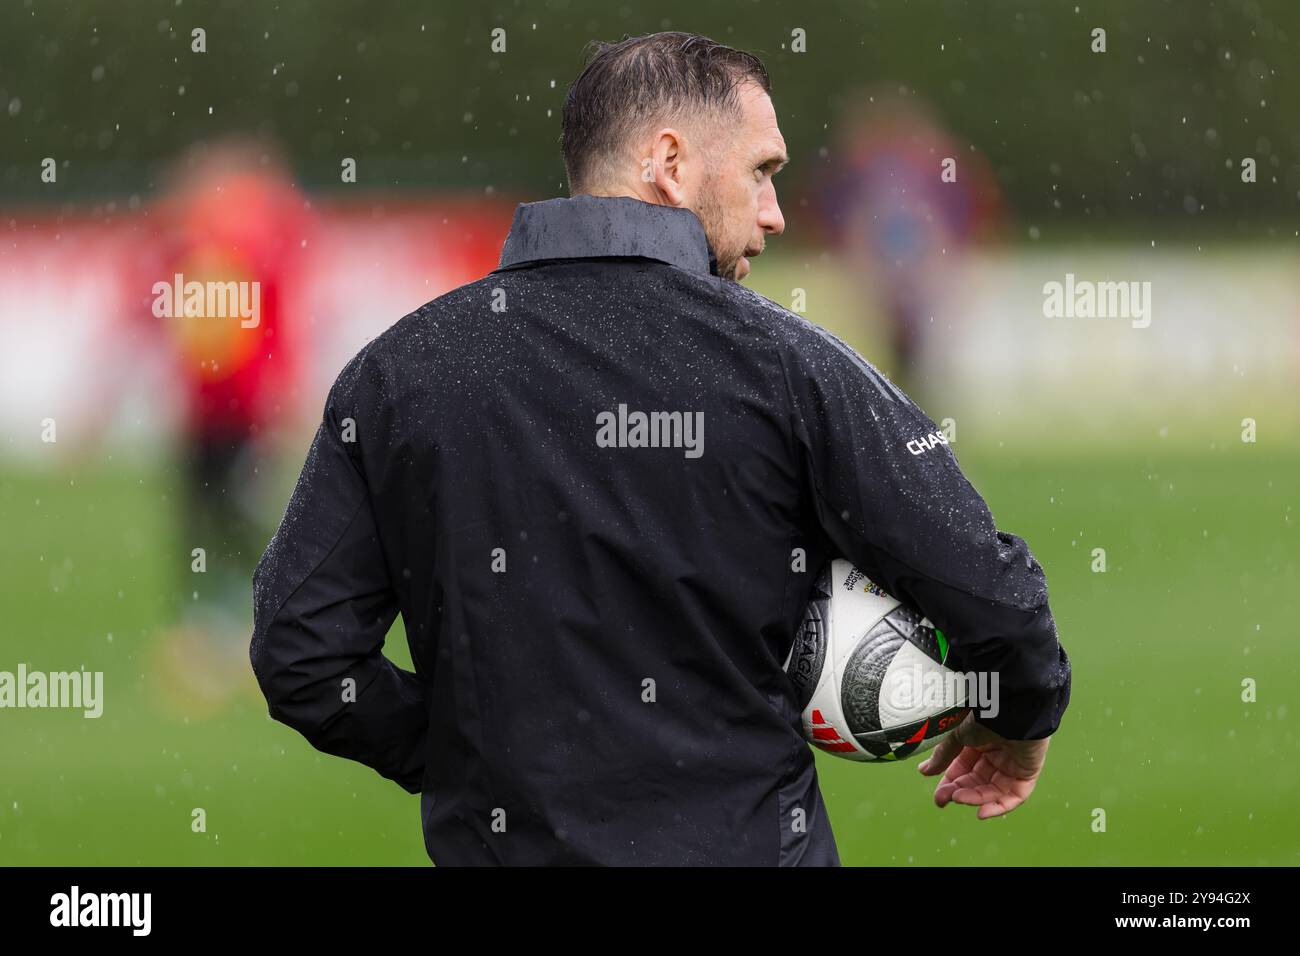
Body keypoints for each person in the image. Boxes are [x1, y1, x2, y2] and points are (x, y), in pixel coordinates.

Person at [250, 31, 1070, 866]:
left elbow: (301, 653)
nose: (776, 213)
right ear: (671, 164)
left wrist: (474, 758)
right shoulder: (793, 365)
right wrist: (1020, 716)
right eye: (762, 172)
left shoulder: (397, 374)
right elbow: (988, 589)